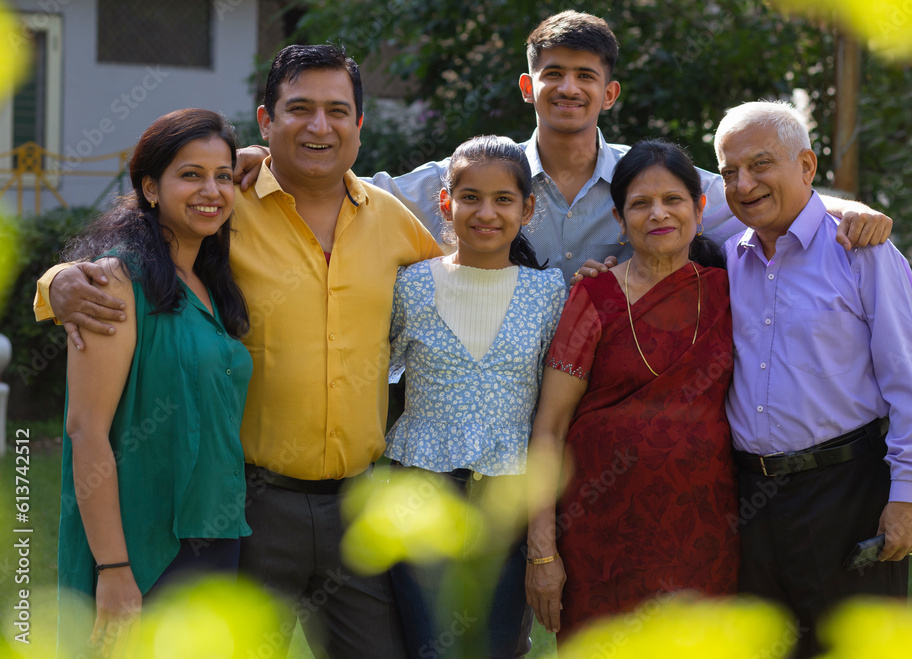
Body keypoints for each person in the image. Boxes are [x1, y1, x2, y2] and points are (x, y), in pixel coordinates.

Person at [36, 45, 441, 658]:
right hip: (248, 508)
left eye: (337, 110)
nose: (319, 125)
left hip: (358, 508)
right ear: (266, 120)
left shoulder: (393, 220)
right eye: (299, 109)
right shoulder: (227, 206)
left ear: (360, 124)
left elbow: (462, 284)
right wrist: (57, 283)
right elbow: (136, 244)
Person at [234, 10, 892, 288]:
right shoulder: (479, 178)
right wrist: (270, 163)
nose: (568, 88)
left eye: (585, 76)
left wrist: (844, 209)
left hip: (608, 412)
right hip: (504, 413)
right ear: (529, 87)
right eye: (553, 74)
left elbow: (755, 198)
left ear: (609, 93)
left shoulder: (651, 182)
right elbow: (367, 192)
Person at [714, 100, 912, 659]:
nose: (744, 184)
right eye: (729, 172)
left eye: (760, 164)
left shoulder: (863, 252)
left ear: (807, 166)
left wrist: (910, 496)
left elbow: (908, 381)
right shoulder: (726, 260)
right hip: (750, 499)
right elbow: (656, 201)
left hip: (848, 490)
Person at [524, 140, 739, 644]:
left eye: (673, 200)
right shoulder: (593, 296)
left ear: (700, 210)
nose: (658, 213)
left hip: (705, 531)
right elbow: (549, 428)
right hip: (600, 535)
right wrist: (542, 551)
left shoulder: (730, 290)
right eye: (641, 204)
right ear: (620, 221)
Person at [56, 109, 252, 655]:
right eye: (190, 175)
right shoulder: (114, 281)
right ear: (149, 187)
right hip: (142, 547)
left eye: (222, 176)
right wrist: (113, 568)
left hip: (217, 535)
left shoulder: (212, 283)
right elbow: (85, 430)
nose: (211, 190)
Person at [386, 135, 566, 658]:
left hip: (508, 497)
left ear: (526, 210)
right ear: (446, 202)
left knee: (497, 645)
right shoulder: (410, 286)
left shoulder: (548, 293)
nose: (486, 213)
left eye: (503, 199)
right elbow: (373, 371)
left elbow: (556, 402)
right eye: (470, 197)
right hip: (421, 487)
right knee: (430, 645)